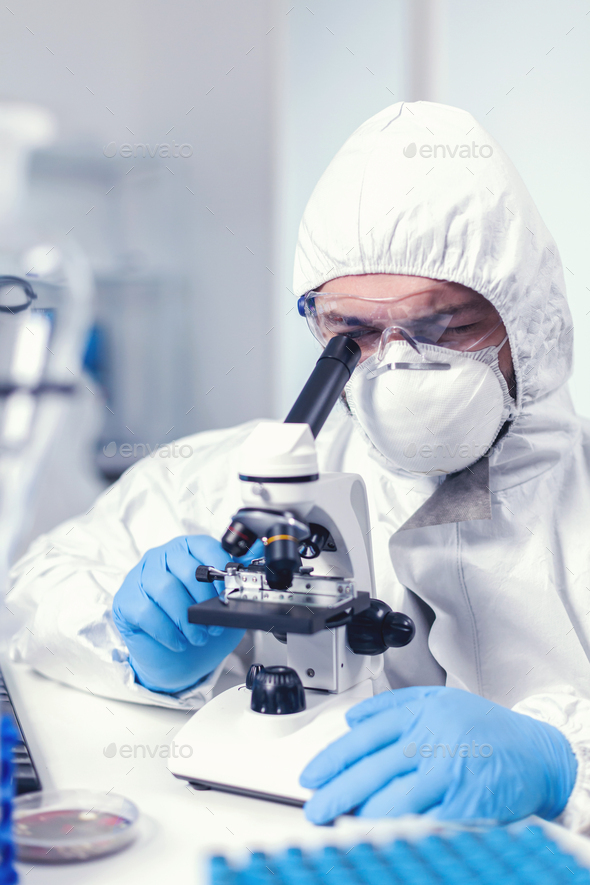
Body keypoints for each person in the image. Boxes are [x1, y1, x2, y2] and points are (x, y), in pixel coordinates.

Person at [8, 101, 590, 830]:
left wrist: (563, 757)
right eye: (353, 332)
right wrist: (134, 644)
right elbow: (35, 587)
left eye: (444, 325)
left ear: (528, 318)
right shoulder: (238, 467)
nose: (401, 362)